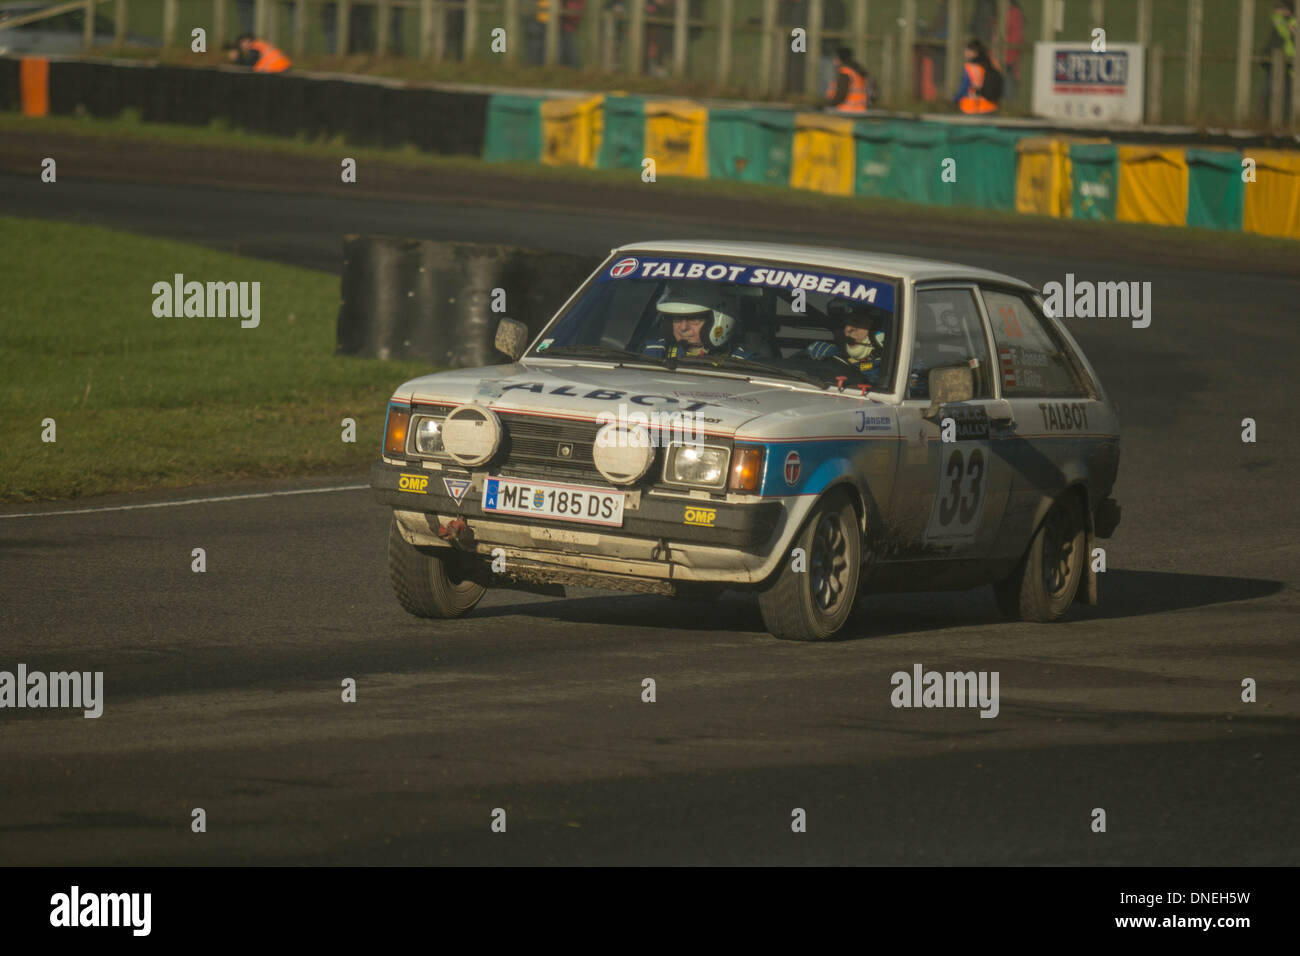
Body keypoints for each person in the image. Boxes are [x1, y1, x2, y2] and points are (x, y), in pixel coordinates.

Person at [642, 284, 754, 360]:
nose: (683, 327)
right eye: (677, 319)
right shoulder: (655, 352)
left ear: (720, 321)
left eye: (694, 320)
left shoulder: (743, 362)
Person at [803, 300, 889, 385]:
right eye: (847, 323)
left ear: (879, 334)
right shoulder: (836, 355)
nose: (847, 330)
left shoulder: (888, 373)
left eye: (857, 323)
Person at [1262, 0, 1297, 120]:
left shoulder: (1288, 23)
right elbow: (1275, 43)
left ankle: (1277, 123)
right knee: (1271, 96)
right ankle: (1270, 122)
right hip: (1278, 65)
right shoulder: (1280, 22)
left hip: (1289, 67)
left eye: (1281, 7)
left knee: (1284, 98)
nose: (1278, 10)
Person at [954, 37, 999, 114]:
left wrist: (955, 100)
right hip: (991, 107)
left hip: (971, 107)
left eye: (967, 50)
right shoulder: (994, 64)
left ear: (974, 52)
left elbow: (964, 87)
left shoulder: (970, 67)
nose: (965, 52)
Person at [826, 46, 870, 111]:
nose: (833, 60)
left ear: (838, 59)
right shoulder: (856, 71)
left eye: (835, 57)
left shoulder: (845, 73)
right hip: (859, 110)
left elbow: (841, 95)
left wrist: (827, 105)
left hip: (846, 110)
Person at [227, 32, 292, 73]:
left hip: (280, 71)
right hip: (281, 70)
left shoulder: (256, 48)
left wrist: (236, 59)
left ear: (249, 41)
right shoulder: (260, 46)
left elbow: (248, 67)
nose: (242, 45)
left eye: (243, 42)